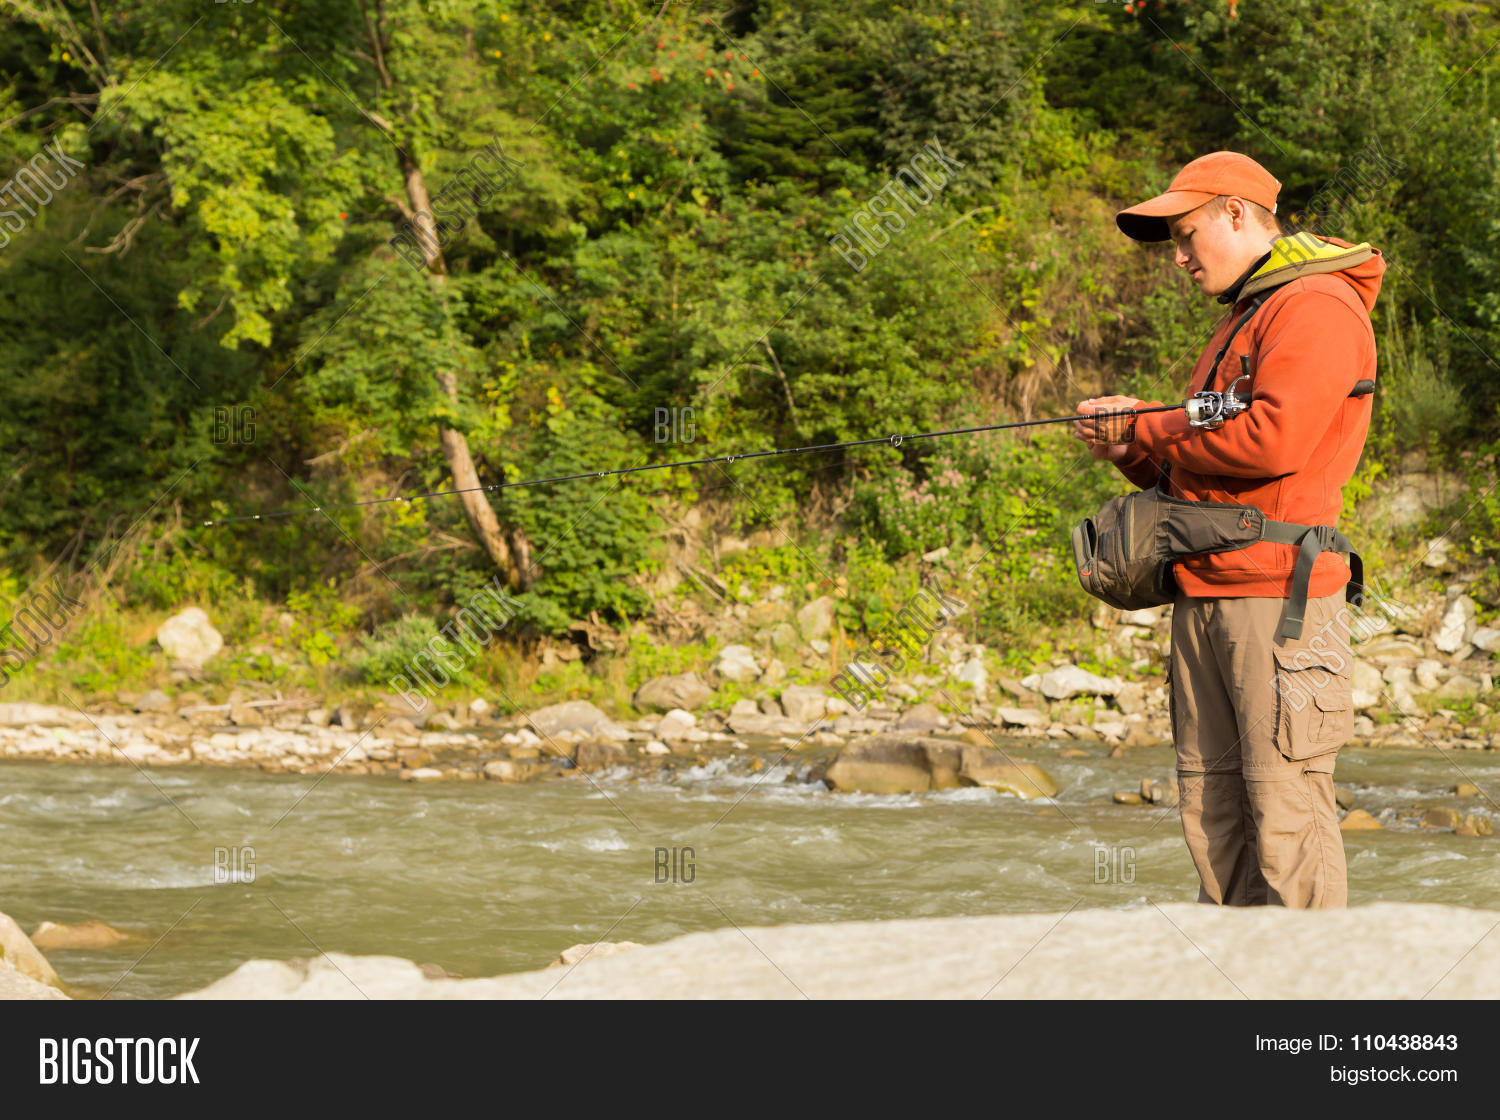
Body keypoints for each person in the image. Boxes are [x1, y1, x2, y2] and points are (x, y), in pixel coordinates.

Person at [1073, 151, 1385, 908]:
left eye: (1185, 235)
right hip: (1206, 593)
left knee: (1285, 818)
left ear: (1237, 214)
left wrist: (1149, 424)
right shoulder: (1244, 318)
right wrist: (1129, 451)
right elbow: (1198, 476)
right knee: (1213, 817)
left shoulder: (1313, 306)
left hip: (1279, 604)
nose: (1177, 257)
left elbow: (1276, 441)